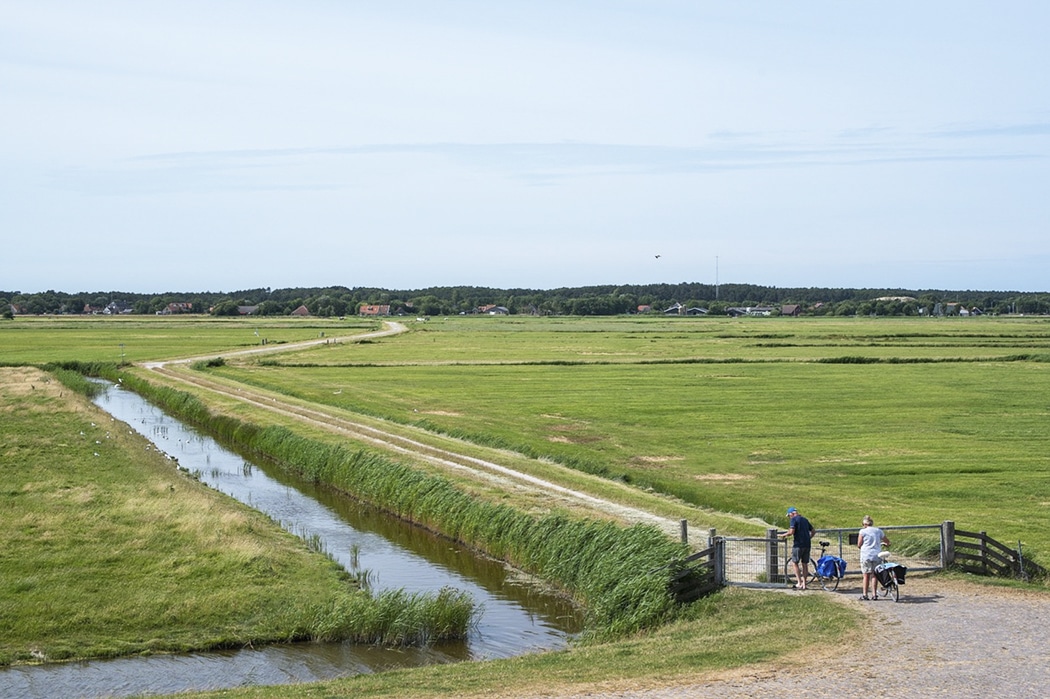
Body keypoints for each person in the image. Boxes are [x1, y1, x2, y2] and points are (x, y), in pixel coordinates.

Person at [779, 507, 814, 590]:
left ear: (792, 514)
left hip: (798, 545)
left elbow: (791, 532)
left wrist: (783, 535)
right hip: (807, 545)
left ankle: (799, 582)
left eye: (789, 516)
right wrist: (808, 538)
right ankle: (804, 584)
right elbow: (813, 531)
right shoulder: (805, 520)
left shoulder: (794, 520)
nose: (789, 517)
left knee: (795, 563)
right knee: (805, 564)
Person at [857, 515, 890, 600]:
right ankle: (874, 594)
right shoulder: (878, 531)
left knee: (866, 575)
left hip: (866, 555)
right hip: (876, 555)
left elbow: (859, 544)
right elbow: (886, 541)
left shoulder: (862, 531)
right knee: (874, 575)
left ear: (864, 524)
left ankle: (865, 594)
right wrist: (886, 544)